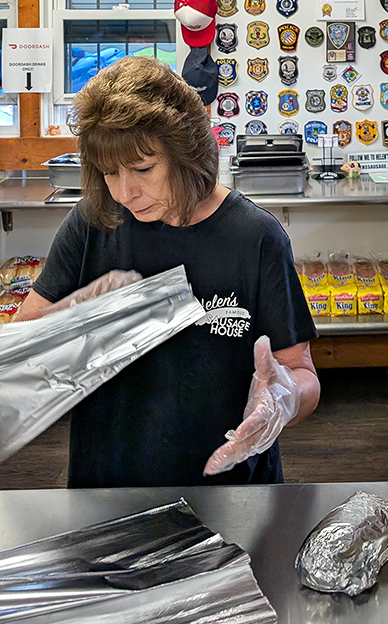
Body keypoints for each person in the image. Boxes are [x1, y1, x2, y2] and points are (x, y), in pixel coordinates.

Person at [17, 56, 319, 488]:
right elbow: (23, 348)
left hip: (231, 486)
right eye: (109, 172)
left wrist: (283, 400)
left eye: (143, 169)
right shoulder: (93, 222)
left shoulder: (255, 237)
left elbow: (302, 374)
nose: (125, 192)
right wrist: (67, 325)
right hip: (107, 486)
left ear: (187, 151)